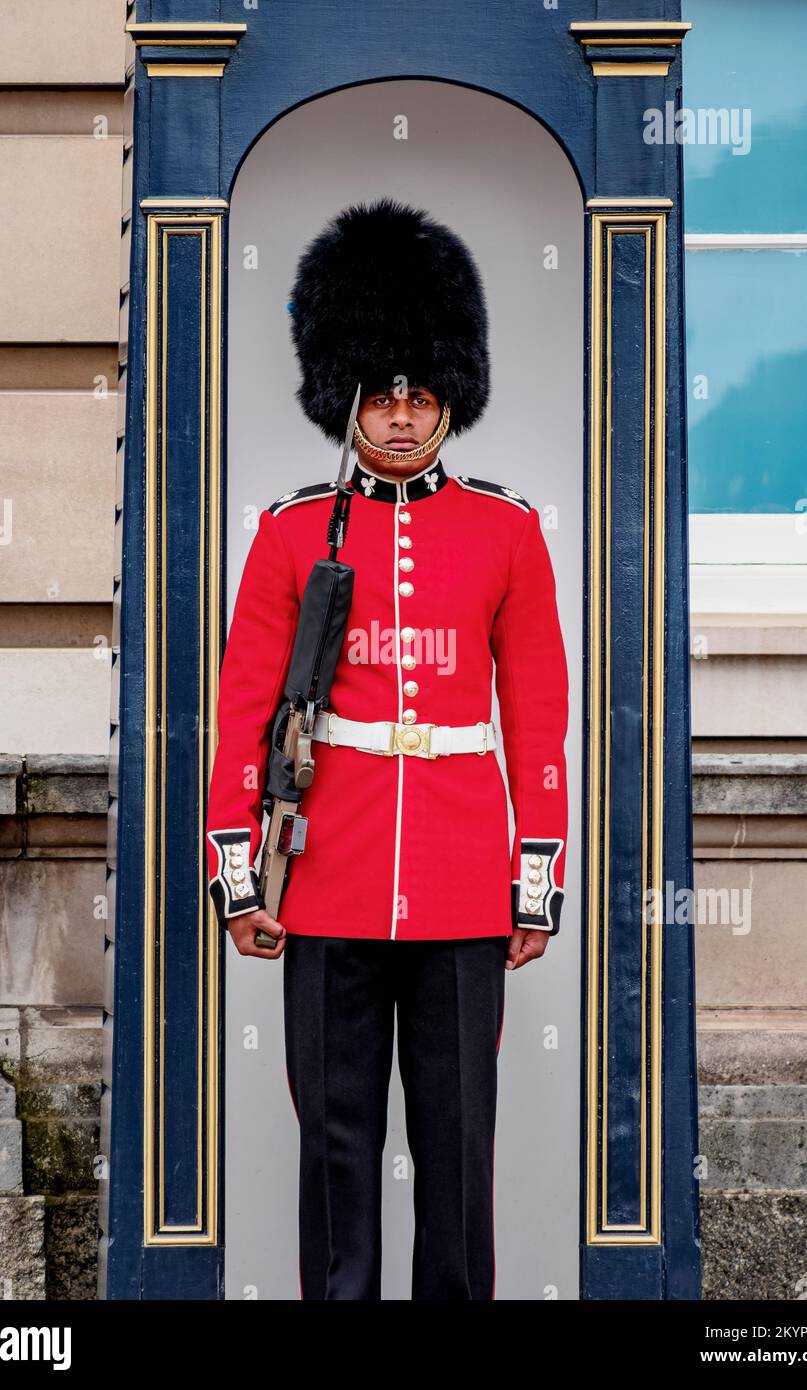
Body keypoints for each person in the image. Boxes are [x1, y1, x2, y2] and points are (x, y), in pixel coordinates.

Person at [205, 197, 569, 1300]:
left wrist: (534, 874)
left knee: (458, 1152)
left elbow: (539, 714)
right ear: (344, 396)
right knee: (335, 1146)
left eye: (419, 392)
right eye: (382, 393)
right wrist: (237, 873)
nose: (403, 416)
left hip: (462, 885)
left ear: (447, 393)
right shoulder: (285, 533)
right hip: (325, 881)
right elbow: (241, 714)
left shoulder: (505, 531)